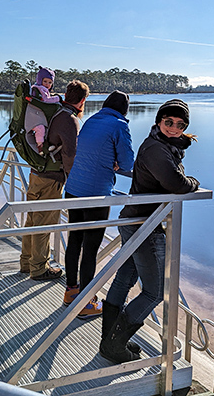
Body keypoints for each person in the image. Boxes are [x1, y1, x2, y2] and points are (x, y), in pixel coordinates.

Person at [99, 99, 200, 363]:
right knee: (154, 291)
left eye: (180, 125)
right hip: (146, 224)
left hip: (135, 220)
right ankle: (114, 344)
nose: (174, 129)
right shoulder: (157, 148)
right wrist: (194, 182)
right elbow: (175, 183)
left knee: (125, 279)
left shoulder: (162, 145)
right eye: (169, 122)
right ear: (159, 121)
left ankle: (110, 339)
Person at [62, 91, 135, 318]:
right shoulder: (119, 125)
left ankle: (71, 292)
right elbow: (127, 162)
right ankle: (86, 302)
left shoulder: (91, 120)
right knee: (91, 247)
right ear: (125, 109)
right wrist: (114, 162)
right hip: (95, 194)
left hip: (73, 189)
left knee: (75, 240)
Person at [20, 80, 90, 281]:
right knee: (44, 224)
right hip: (51, 179)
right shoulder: (69, 119)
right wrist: (73, 181)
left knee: (32, 220)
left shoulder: (56, 112)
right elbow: (70, 155)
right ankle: (39, 269)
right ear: (83, 100)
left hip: (36, 173)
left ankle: (26, 263)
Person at [30, 67, 63, 155]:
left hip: (35, 115)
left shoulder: (36, 88)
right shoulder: (41, 89)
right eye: (45, 81)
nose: (47, 84)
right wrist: (58, 98)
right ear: (40, 80)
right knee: (41, 129)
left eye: (50, 82)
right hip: (34, 119)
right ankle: (40, 146)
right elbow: (46, 100)